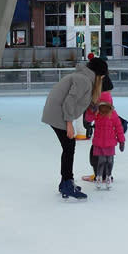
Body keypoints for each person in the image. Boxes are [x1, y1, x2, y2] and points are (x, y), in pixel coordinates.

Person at [42, 57, 107, 200]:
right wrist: (69, 123)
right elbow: (69, 101)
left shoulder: (83, 78)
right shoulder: (84, 80)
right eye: (102, 77)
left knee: (69, 146)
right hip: (58, 114)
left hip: (57, 112)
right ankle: (66, 183)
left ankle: (65, 182)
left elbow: (81, 99)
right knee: (69, 146)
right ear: (98, 74)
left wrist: (94, 107)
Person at [84, 91, 126, 190]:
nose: (104, 110)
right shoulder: (97, 113)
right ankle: (98, 177)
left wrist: (121, 141)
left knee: (110, 161)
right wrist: (91, 110)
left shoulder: (113, 114)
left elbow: (119, 128)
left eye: (106, 107)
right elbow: (88, 119)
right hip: (99, 143)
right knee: (101, 161)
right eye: (102, 107)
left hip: (110, 143)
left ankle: (108, 176)